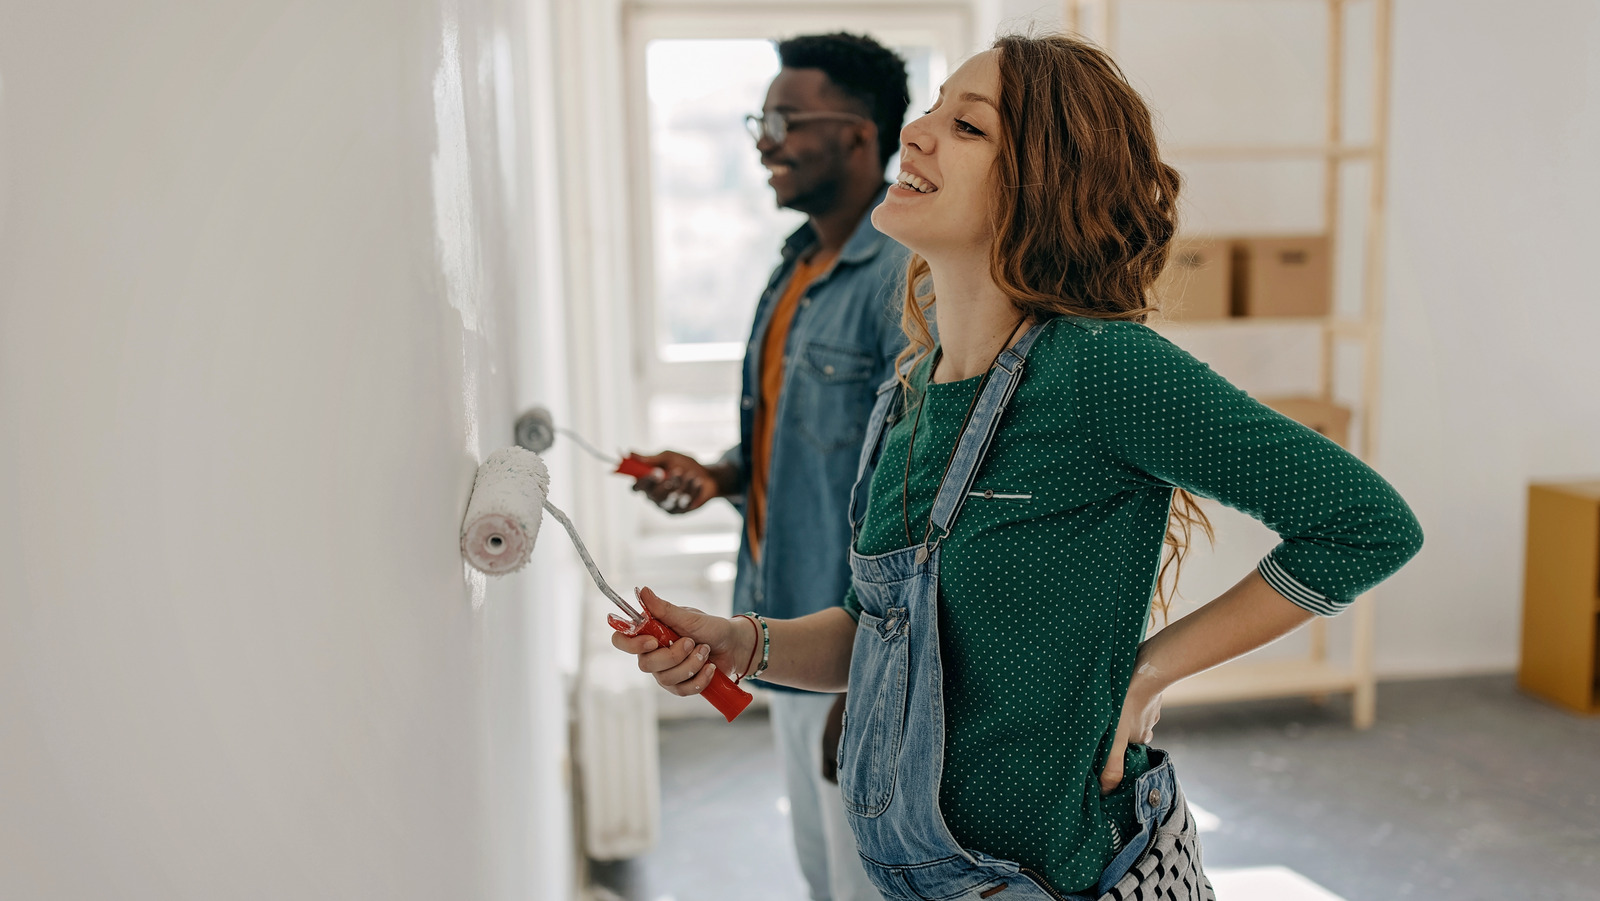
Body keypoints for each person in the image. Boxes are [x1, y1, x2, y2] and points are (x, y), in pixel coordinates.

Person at [617, 32, 1425, 901]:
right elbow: (877, 631)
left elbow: (1366, 524)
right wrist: (741, 642)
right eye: (930, 113)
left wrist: (1149, 672)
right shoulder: (908, 395)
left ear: (1041, 185)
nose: (917, 134)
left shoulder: (1101, 369)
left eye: (967, 128)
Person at [629, 32, 911, 901]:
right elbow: (801, 435)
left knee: (866, 879)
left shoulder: (903, 277)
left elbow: (910, 490)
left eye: (786, 119)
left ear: (861, 135)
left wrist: (862, 674)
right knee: (822, 871)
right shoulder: (798, 263)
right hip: (777, 619)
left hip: (847, 644)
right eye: (763, 118)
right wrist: (717, 475)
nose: (764, 141)